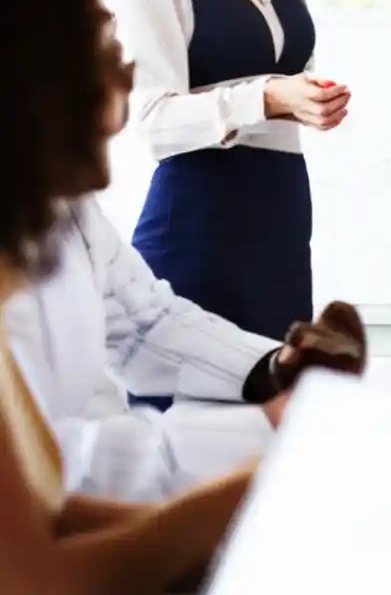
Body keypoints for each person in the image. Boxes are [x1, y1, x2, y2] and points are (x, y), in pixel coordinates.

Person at [0, 0, 253, 592]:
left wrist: (244, 509)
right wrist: (252, 489)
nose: (125, 86)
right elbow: (39, 578)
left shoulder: (32, 242)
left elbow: (46, 519)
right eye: (104, 58)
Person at [98, 0, 352, 357]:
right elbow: (151, 120)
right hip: (201, 230)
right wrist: (269, 97)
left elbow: (286, 66)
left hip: (282, 225)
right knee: (186, 417)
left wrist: (307, 98)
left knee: (277, 409)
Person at [3, 194, 368, 502]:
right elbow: (40, 470)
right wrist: (263, 427)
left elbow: (145, 322)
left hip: (109, 513)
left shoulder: (65, 200)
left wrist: (274, 369)